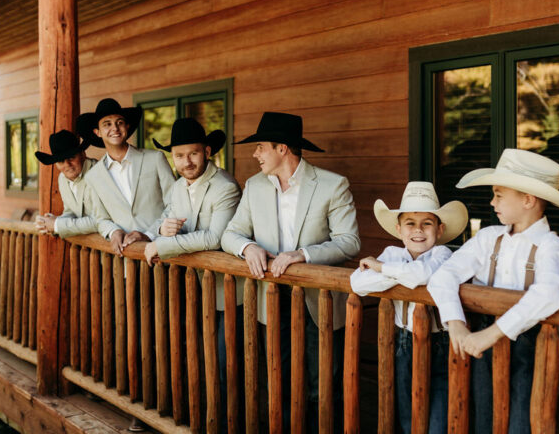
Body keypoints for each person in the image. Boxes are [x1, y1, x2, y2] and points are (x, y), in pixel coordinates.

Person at [427, 148, 559, 434]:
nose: (492, 201)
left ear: (527, 199)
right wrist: (457, 325)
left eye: (499, 194)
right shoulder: (489, 239)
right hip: (481, 349)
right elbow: (443, 276)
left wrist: (491, 334)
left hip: (526, 350)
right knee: (483, 416)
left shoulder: (551, 246)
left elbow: (549, 293)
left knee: (520, 422)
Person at [221, 111, 360, 433]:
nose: (255, 154)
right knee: (277, 375)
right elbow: (231, 233)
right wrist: (248, 248)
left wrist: (304, 254)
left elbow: (350, 241)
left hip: (319, 300)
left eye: (260, 147)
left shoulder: (332, 184)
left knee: (322, 380)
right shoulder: (255, 185)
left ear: (282, 148)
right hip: (271, 298)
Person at [142, 117, 243, 428]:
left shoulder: (225, 187)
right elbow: (160, 220)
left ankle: (230, 424)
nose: (186, 162)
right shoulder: (176, 187)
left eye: (193, 154)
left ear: (208, 151)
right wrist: (160, 229)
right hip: (190, 289)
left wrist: (162, 246)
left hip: (227, 292)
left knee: (226, 364)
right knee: (193, 356)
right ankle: (197, 420)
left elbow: (215, 238)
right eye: (179, 155)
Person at [350, 181, 468, 434]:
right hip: (403, 339)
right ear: (398, 228)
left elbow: (422, 275)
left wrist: (381, 269)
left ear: (440, 228)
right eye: (410, 223)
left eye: (427, 223)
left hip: (442, 342)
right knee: (406, 406)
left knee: (439, 412)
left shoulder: (443, 255)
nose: (418, 230)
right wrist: (400, 274)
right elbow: (358, 282)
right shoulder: (392, 253)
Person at [76, 98, 176, 256]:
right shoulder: (93, 176)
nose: (115, 128)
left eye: (120, 122)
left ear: (127, 126)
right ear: (98, 132)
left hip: (163, 253)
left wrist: (149, 234)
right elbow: (101, 218)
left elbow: (175, 203)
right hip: (125, 259)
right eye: (107, 124)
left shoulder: (155, 159)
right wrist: (113, 231)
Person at [34, 130, 97, 237]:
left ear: (83, 154)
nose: (67, 165)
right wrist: (49, 223)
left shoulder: (98, 174)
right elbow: (71, 212)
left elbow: (101, 221)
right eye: (61, 161)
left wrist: (57, 225)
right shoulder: (62, 178)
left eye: (71, 157)